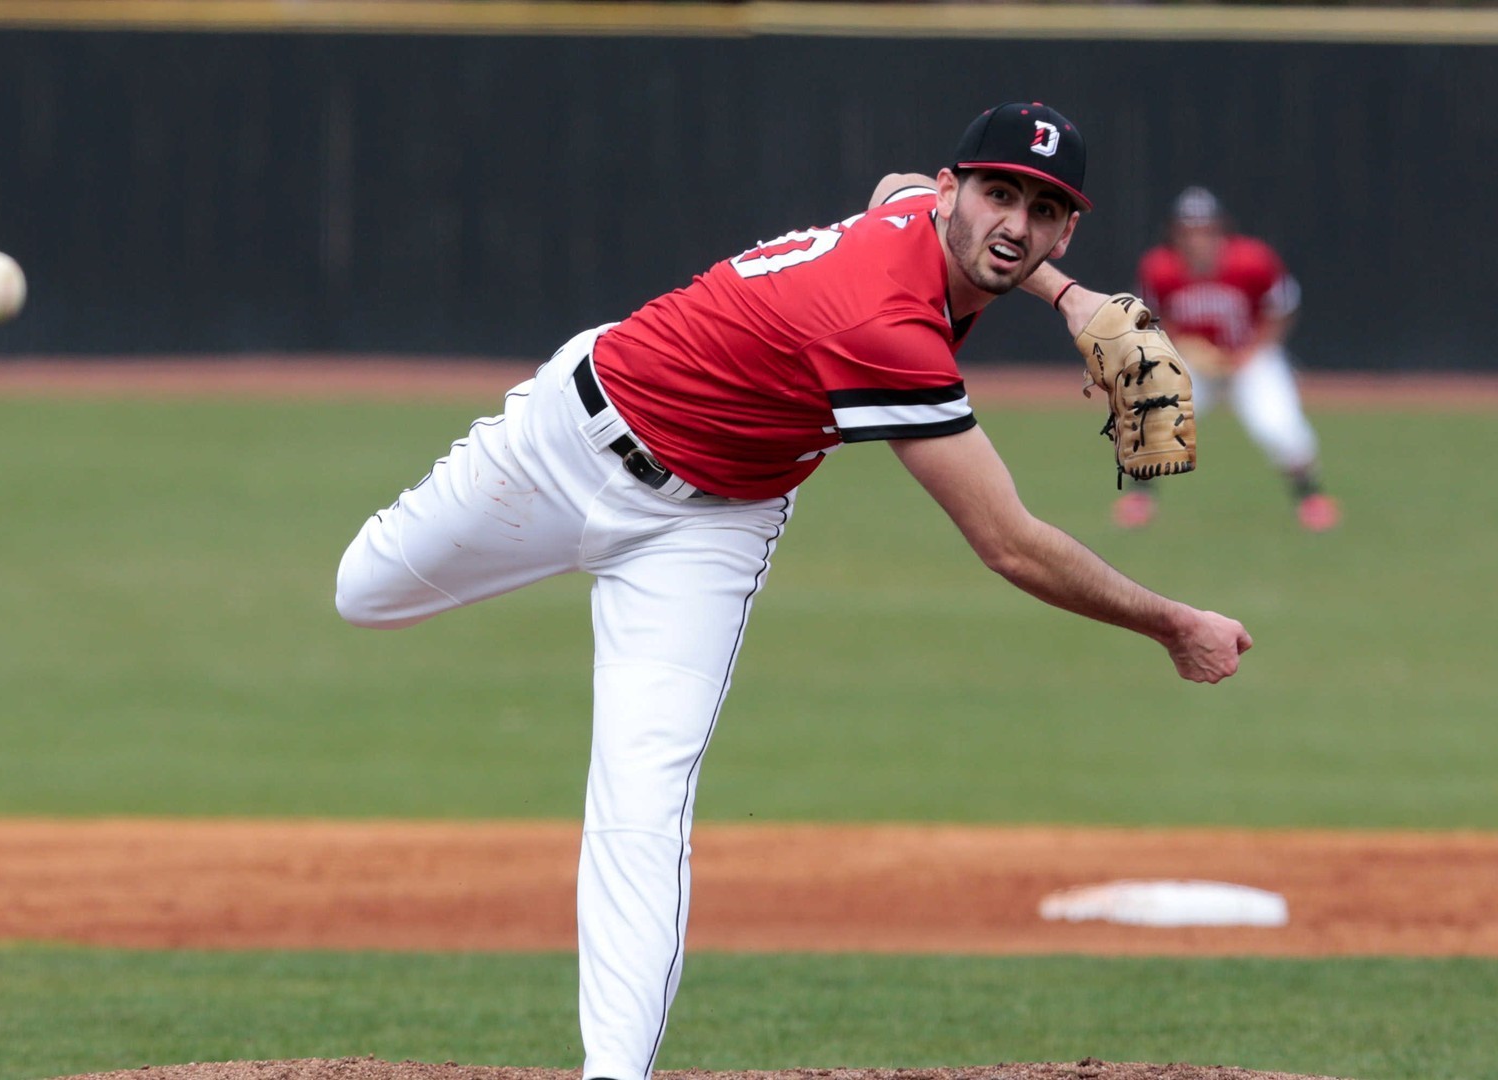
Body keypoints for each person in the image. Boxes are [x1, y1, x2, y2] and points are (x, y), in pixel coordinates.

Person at [335, 103, 1251, 1080]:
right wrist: (1172, 622)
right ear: (955, 192)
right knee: (365, 590)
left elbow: (891, 189)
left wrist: (1067, 296)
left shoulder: (927, 219)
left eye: (1044, 209)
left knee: (644, 798)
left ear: (1070, 229)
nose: (1015, 225)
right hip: (563, 444)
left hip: (706, 528)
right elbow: (1010, 545)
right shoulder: (885, 326)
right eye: (996, 193)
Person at [1117, 186, 1339, 531]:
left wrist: (1252, 351)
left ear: (1221, 230)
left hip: (1250, 359)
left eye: (1205, 230)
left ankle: (1310, 496)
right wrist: (1181, 346)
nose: (1197, 239)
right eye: (1189, 230)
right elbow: (1149, 318)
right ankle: (1139, 496)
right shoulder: (1159, 268)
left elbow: (1282, 308)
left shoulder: (1252, 261)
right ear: (1175, 233)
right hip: (1196, 364)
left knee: (1279, 427)